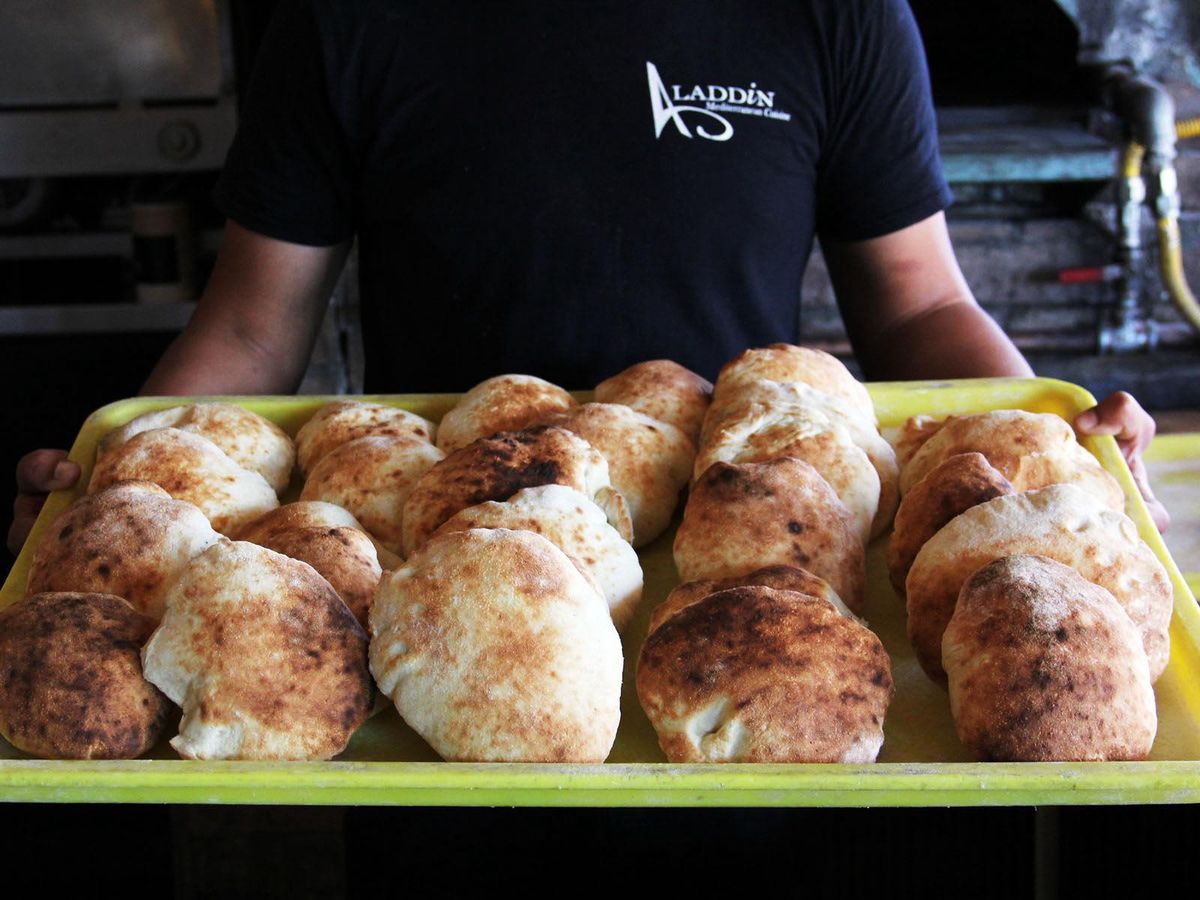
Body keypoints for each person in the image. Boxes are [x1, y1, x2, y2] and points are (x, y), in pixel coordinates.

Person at [8, 0, 1168, 553]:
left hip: (749, 545)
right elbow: (251, 331)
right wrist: (120, 481)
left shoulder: (835, 17)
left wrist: (1057, 455)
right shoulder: (347, 22)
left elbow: (922, 304)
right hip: (446, 548)